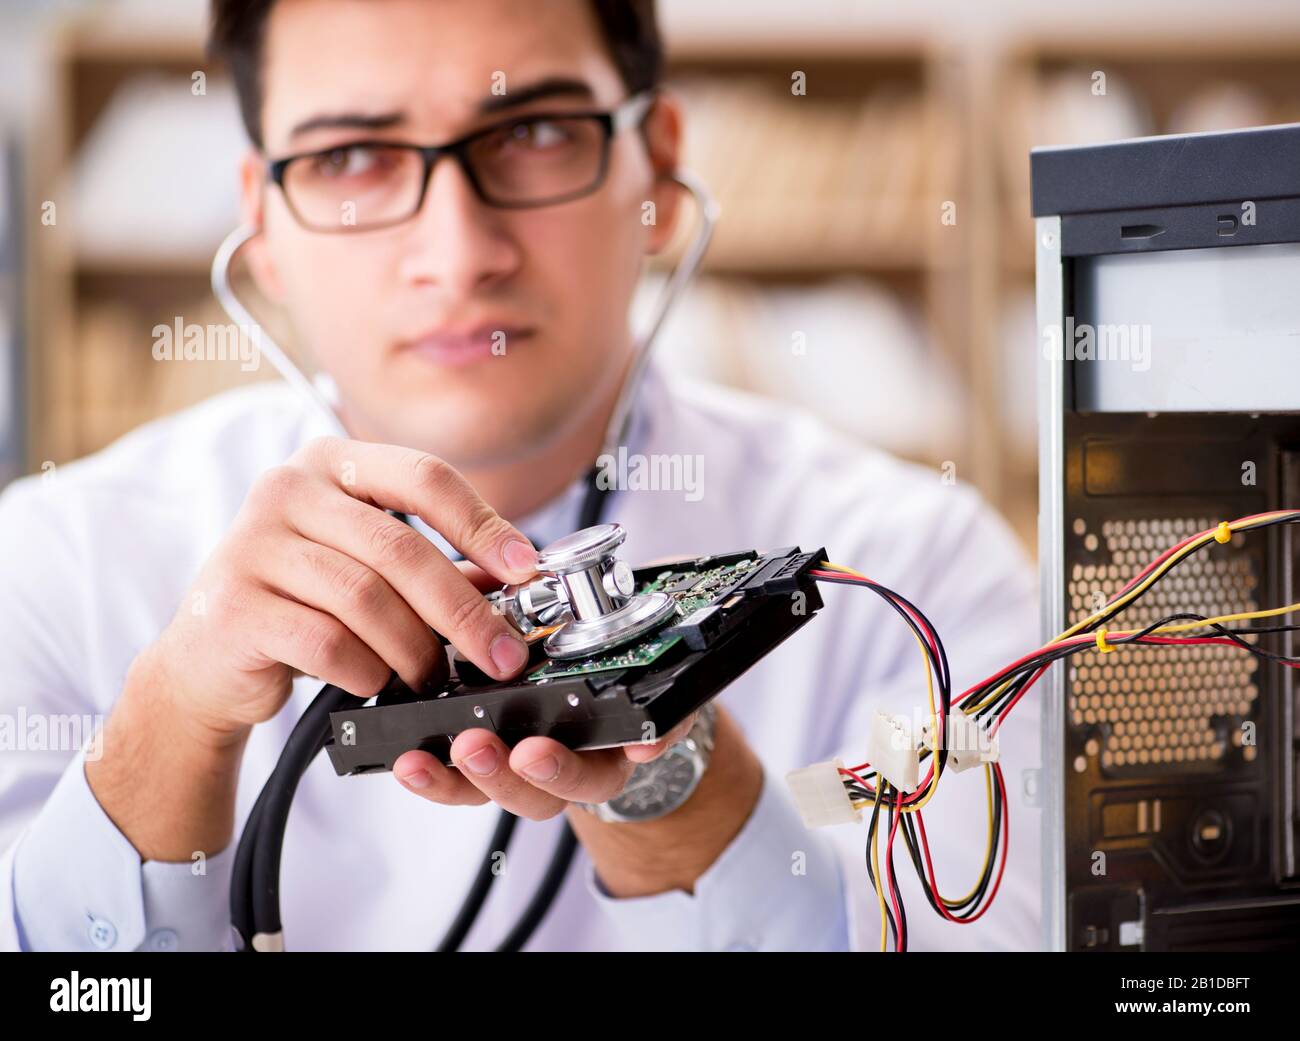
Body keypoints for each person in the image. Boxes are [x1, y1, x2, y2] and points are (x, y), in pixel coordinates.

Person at [0, 0, 1041, 951]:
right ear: (263, 228)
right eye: (353, 154)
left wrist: (672, 778)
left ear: (660, 179)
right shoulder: (52, 560)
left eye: (535, 134)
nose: (458, 252)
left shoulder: (919, 571)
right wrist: (172, 719)